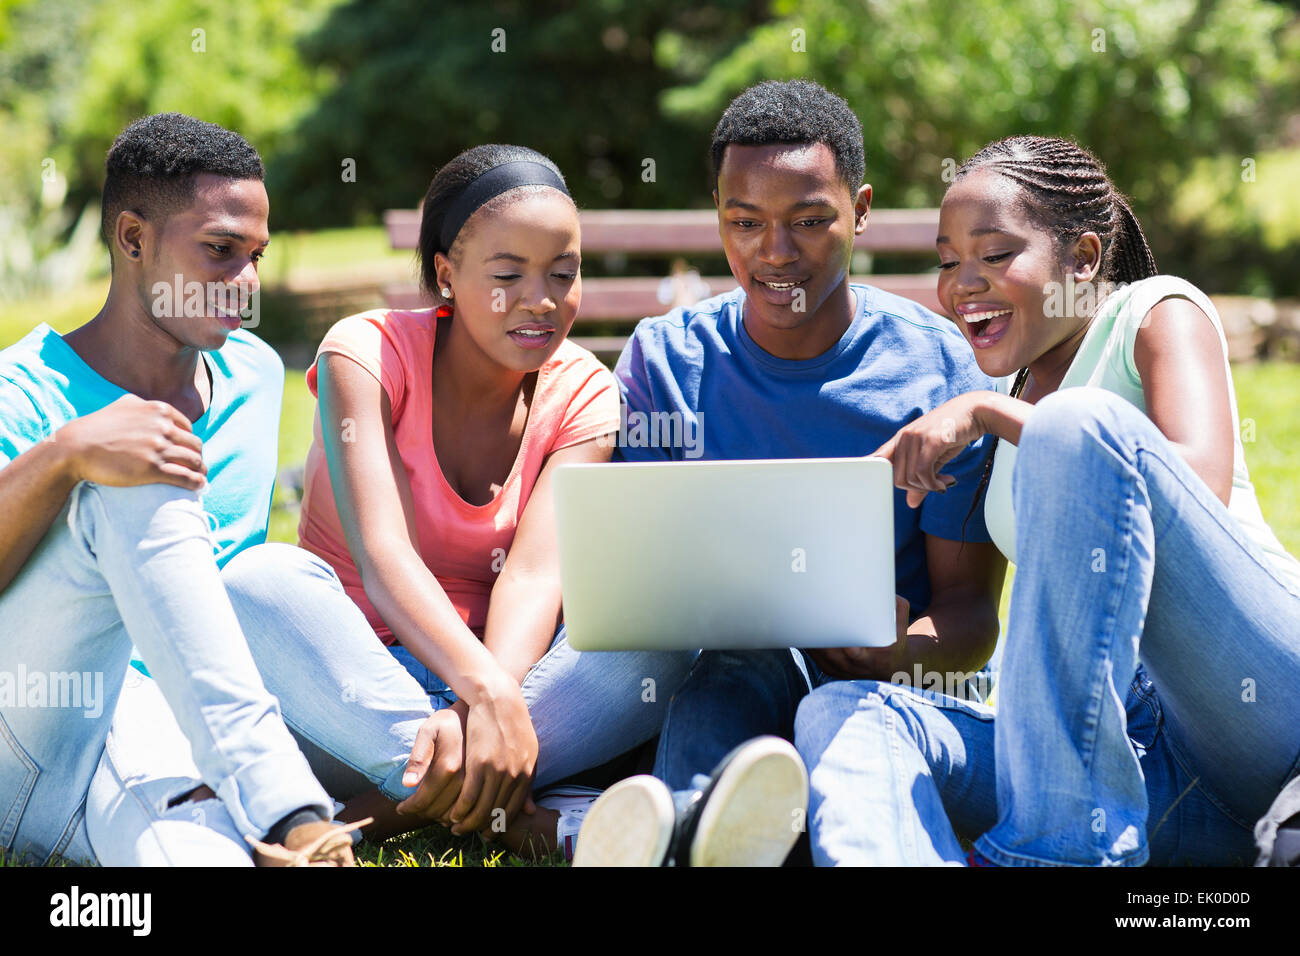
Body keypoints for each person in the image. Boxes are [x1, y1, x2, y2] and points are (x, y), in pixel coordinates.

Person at [794, 135, 1300, 866]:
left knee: (1076, 425)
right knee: (845, 714)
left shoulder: (1155, 313)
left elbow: (1199, 488)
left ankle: (1050, 856)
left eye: (995, 256)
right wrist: (891, 649)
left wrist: (984, 413)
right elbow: (997, 626)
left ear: (1085, 257)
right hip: (1141, 777)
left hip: (1260, 707)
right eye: (947, 263)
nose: (962, 284)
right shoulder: (1014, 403)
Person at [573, 79, 1006, 866]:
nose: (775, 253)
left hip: (877, 694)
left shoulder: (942, 371)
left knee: (787, 691)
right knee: (741, 662)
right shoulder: (668, 361)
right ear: (718, 216)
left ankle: (682, 833)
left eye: (809, 222)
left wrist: (901, 650)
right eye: (745, 224)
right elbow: (637, 580)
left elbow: (971, 616)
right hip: (715, 681)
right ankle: (705, 828)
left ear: (861, 210)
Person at [241, 144, 697, 859]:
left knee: (670, 615)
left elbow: (533, 576)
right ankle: (547, 820)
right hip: (347, 691)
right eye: (508, 275)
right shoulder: (363, 352)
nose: (541, 300)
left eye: (563, 273)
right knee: (254, 583)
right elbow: (384, 555)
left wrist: (488, 697)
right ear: (447, 274)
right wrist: (486, 699)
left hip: (518, 691)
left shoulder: (585, 392)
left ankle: (366, 818)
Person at [0, 112, 357, 866]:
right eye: (221, 252)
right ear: (133, 240)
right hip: (42, 738)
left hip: (187, 740)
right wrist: (67, 455)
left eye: (256, 256)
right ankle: (290, 809)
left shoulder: (256, 376)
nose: (247, 284)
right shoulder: (21, 391)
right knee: (137, 470)